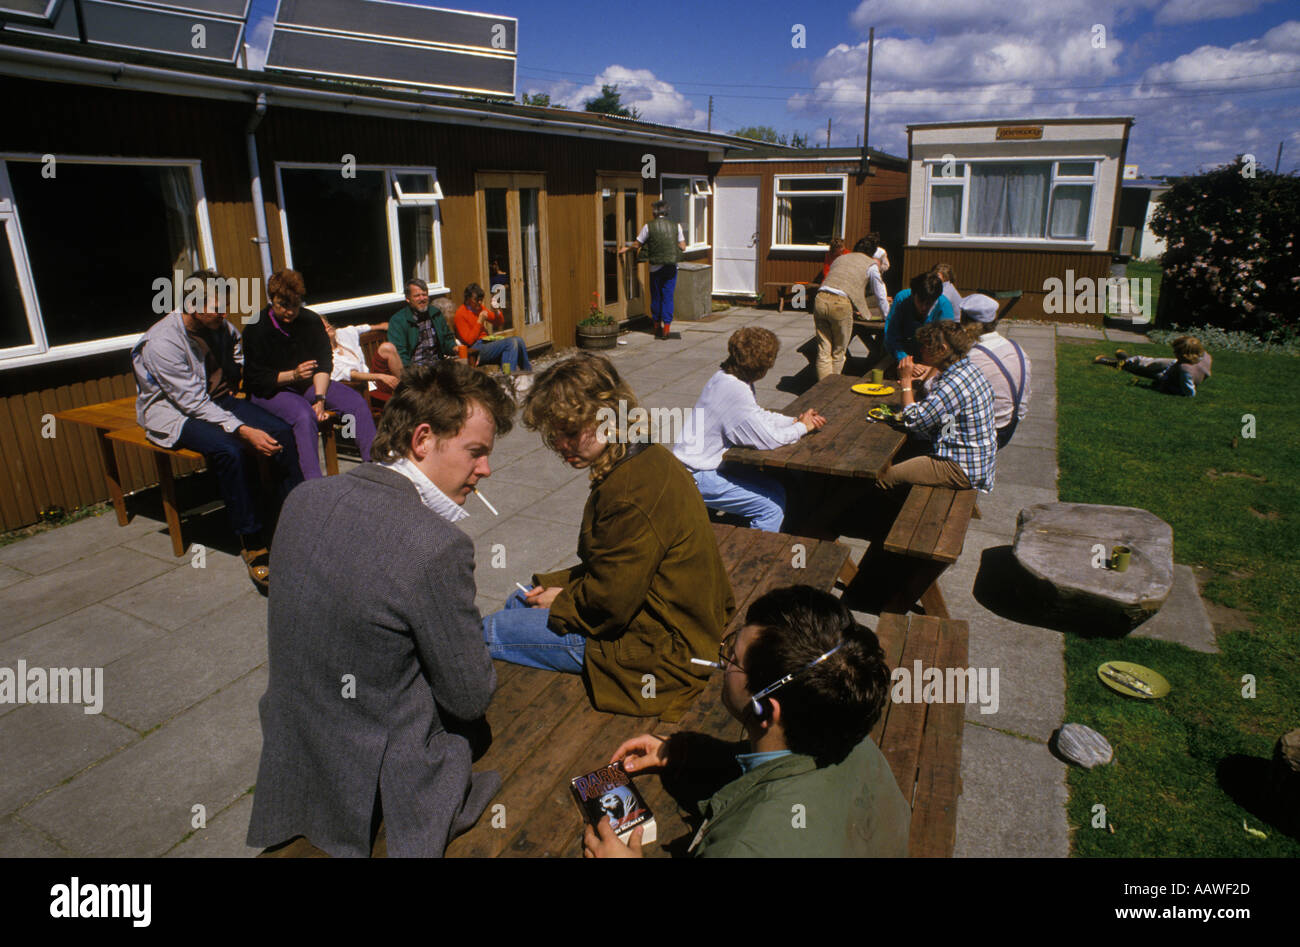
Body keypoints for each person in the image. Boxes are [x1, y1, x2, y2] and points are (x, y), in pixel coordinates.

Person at [246, 362, 516, 858]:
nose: (486, 470)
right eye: (476, 452)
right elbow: (469, 695)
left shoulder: (305, 498)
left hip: (297, 751)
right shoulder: (436, 545)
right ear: (423, 439)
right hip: (375, 773)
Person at [481, 353, 735, 720]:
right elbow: (615, 569)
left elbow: (610, 606)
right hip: (677, 620)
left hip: (662, 649)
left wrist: (565, 598)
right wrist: (558, 589)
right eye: (554, 435)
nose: (561, 445)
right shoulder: (645, 458)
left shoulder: (630, 493)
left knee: (488, 630)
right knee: (519, 599)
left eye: (569, 432)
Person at [583, 585, 910, 858]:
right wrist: (692, 752)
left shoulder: (745, 846)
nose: (723, 666)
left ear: (766, 711)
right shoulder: (844, 727)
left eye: (734, 660)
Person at [132, 270, 303, 591]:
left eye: (225, 304)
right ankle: (252, 541)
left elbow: (237, 349)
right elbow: (192, 403)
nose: (223, 312)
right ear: (192, 304)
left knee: (281, 431)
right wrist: (244, 431)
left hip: (219, 400)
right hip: (175, 412)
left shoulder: (220, 326)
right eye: (215, 305)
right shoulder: (162, 343)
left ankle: (294, 519)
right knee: (231, 450)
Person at [673, 327, 825, 531]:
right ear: (763, 368)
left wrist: (794, 421)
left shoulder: (726, 376)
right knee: (771, 508)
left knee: (777, 488)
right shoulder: (735, 389)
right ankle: (754, 558)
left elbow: (756, 415)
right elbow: (770, 440)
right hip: (697, 474)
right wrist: (801, 428)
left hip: (700, 466)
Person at [242, 269, 376, 478]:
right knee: (304, 416)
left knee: (355, 403)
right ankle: (314, 487)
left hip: (307, 384)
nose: (289, 312)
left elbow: (324, 363)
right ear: (271, 300)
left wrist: (320, 399)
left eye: (294, 305)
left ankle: (374, 468)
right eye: (283, 305)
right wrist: (293, 375)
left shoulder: (311, 321)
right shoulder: (256, 327)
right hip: (270, 390)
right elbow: (256, 378)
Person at [877, 320, 997, 493]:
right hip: (975, 460)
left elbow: (913, 419)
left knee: (886, 476)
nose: (921, 349)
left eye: (926, 346)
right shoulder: (968, 369)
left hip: (961, 467)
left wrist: (905, 381)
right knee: (906, 451)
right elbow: (948, 420)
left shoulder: (953, 383)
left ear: (942, 349)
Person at [959, 293, 1030, 449]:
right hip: (1009, 428)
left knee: (934, 424)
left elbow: (933, 389)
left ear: (966, 324)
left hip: (981, 435)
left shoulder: (972, 358)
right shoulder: (1017, 349)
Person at [812, 236, 890, 379]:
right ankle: (830, 387)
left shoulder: (840, 259)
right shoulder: (870, 265)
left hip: (820, 299)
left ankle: (820, 387)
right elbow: (880, 295)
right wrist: (887, 317)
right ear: (872, 253)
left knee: (823, 350)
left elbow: (841, 281)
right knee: (838, 351)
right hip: (840, 304)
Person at [621, 199, 685, 340]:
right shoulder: (676, 226)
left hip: (655, 267)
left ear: (655, 212)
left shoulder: (648, 226)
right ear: (666, 211)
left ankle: (656, 327)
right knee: (668, 297)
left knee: (656, 297)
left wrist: (627, 249)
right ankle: (667, 329)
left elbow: (637, 244)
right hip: (671, 266)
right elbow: (683, 247)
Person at [884, 271, 957, 381]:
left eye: (929, 303)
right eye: (920, 301)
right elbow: (891, 336)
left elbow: (947, 344)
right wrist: (905, 360)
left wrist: (930, 367)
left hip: (930, 363)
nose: (923, 307)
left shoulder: (944, 306)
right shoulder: (901, 299)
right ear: (913, 294)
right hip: (903, 357)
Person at [453, 282, 533, 377]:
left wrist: (496, 311)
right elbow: (469, 341)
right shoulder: (460, 314)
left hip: (486, 341)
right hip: (475, 348)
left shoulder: (479, 308)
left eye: (481, 300)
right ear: (467, 299)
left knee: (518, 340)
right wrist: (479, 322)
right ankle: (508, 377)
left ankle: (528, 373)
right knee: (510, 343)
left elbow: (499, 322)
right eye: (476, 300)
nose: (479, 303)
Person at [1093, 336, 1212, 396]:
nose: (1174, 353)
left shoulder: (1185, 369)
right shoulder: (1205, 356)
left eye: (1177, 352)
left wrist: (1166, 387)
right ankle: (1129, 359)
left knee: (1148, 371)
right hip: (1173, 367)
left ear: (1186, 355)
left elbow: (1189, 391)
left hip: (1170, 378)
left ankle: (1117, 363)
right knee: (1152, 362)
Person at [386, 277, 459, 369]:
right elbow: (400, 354)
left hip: (438, 365)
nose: (422, 299)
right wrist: (412, 372)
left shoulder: (435, 313)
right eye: (417, 296)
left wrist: (454, 348)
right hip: (416, 369)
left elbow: (447, 338)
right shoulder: (398, 321)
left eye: (424, 295)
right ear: (408, 299)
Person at [322, 316, 398, 393]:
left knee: (387, 348)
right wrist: (381, 376)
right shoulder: (325, 358)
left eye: (327, 323)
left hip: (373, 381)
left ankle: (406, 388)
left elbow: (359, 328)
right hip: (360, 391)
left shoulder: (341, 334)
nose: (327, 326)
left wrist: (381, 326)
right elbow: (353, 375)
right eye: (321, 326)